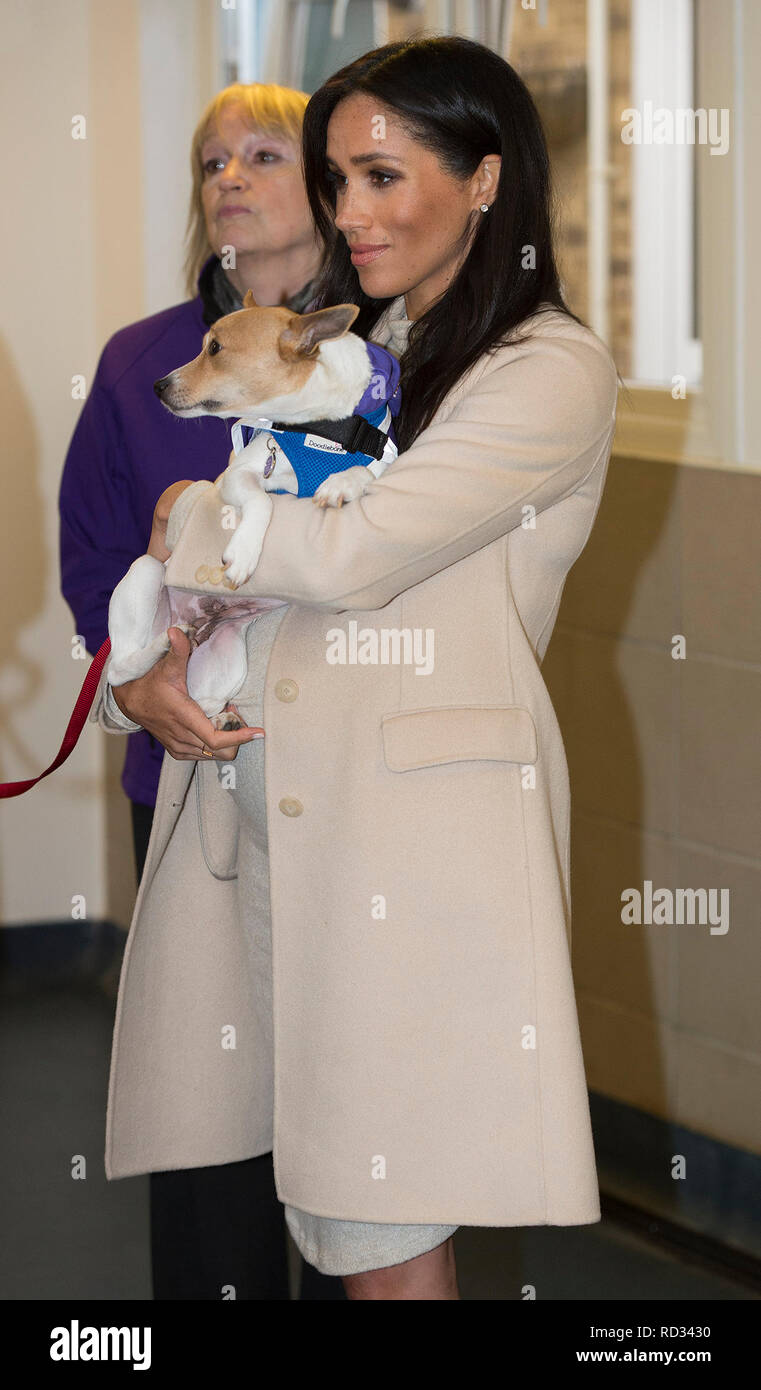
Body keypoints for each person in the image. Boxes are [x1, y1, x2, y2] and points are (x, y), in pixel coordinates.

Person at [88, 35, 620, 1301]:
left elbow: (352, 555)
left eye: (381, 176)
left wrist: (185, 517)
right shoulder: (352, 349)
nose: (348, 214)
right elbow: (260, 569)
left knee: (380, 1235)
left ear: (484, 180)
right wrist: (143, 676)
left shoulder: (545, 370)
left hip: (404, 845)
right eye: (336, 181)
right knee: (311, 1218)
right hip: (263, 813)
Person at [58, 82, 347, 1299]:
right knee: (207, 1115)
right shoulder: (141, 365)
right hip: (181, 777)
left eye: (263, 154)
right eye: (210, 159)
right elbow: (89, 561)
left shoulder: (380, 366)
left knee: (349, 1115)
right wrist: (141, 690)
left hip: (339, 785)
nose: (228, 175)